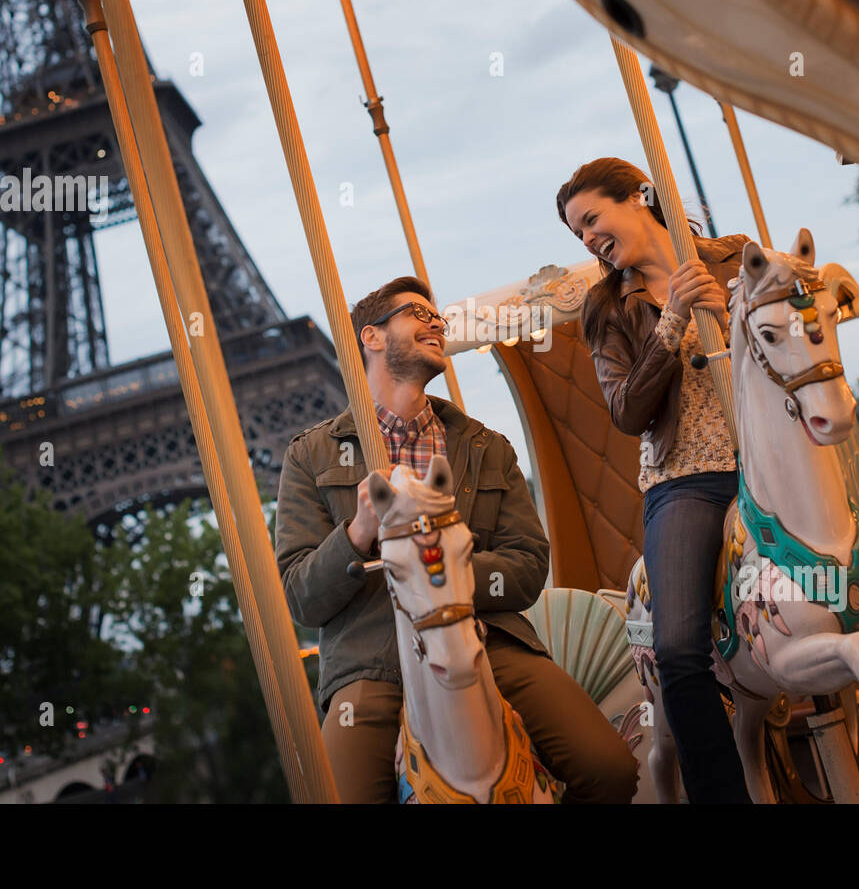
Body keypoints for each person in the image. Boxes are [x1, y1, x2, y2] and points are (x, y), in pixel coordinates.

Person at [556, 157, 859, 802]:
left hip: (772, 470)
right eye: (578, 233)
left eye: (593, 219)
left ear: (640, 198)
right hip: (688, 480)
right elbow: (626, 412)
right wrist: (674, 320)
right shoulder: (608, 308)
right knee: (678, 649)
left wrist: (740, 304)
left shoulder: (737, 258)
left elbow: (794, 321)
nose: (589, 239)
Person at [274, 275, 639, 804]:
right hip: (373, 663)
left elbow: (530, 564)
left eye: (438, 318)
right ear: (371, 338)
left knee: (607, 769)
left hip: (484, 639)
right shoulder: (312, 456)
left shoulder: (484, 447)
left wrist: (444, 570)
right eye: (418, 314)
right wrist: (357, 533)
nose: (436, 324)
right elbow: (301, 595)